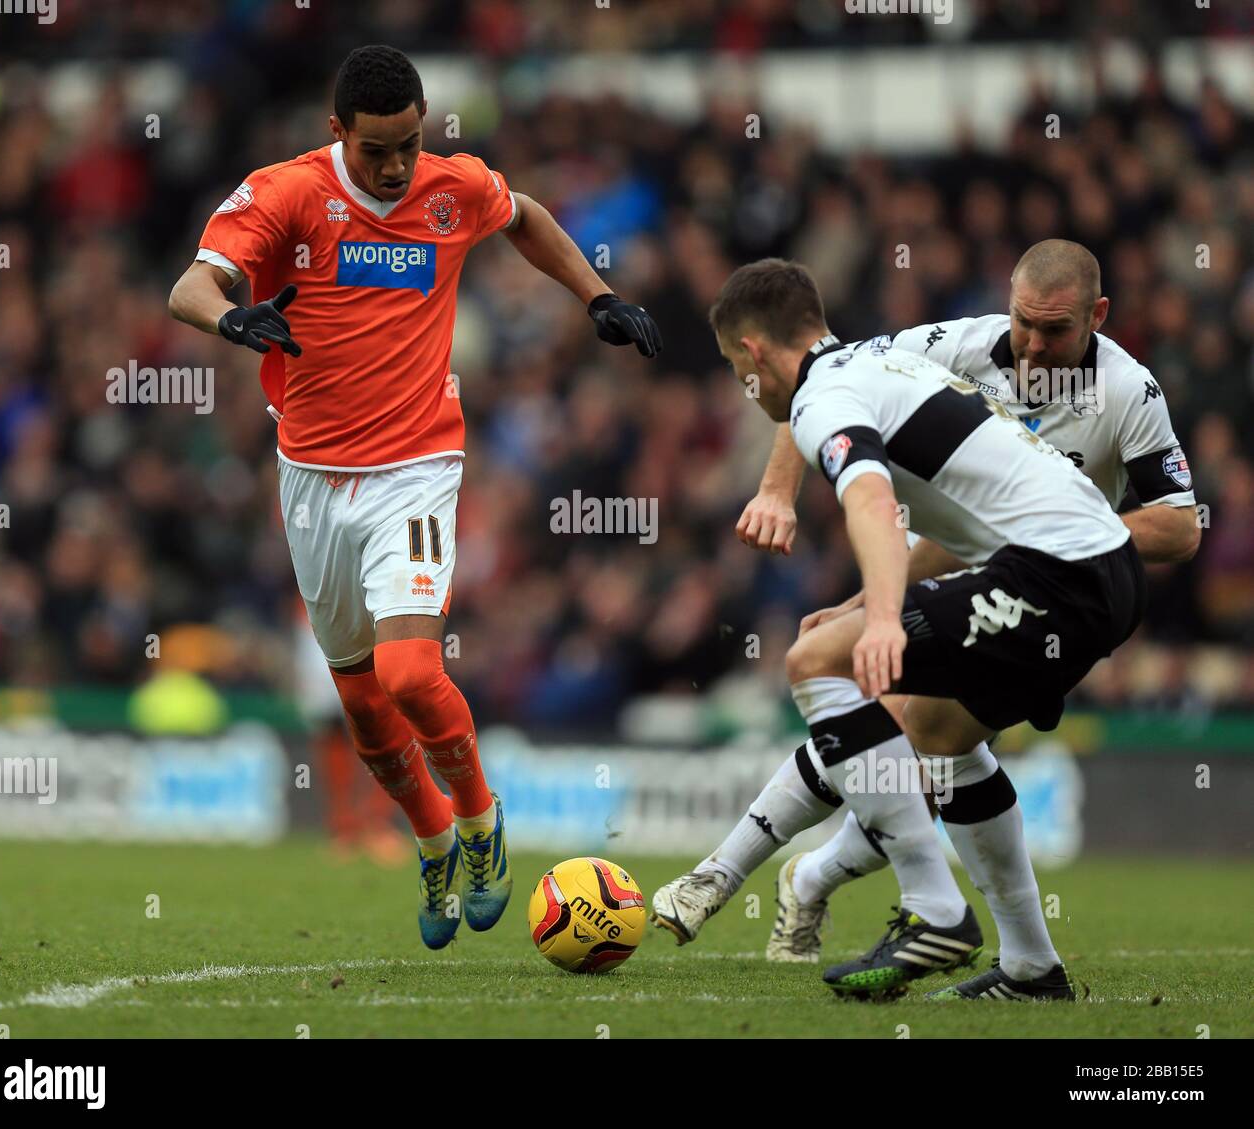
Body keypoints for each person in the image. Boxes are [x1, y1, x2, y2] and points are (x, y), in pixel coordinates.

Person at [168, 45, 662, 950]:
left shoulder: (452, 187)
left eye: (409, 144)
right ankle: (432, 838)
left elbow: (528, 216)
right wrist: (230, 315)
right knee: (360, 705)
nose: (396, 167)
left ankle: (480, 823)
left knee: (408, 674)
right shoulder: (285, 194)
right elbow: (189, 286)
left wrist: (597, 295)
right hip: (311, 475)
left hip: (417, 466)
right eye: (376, 151)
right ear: (337, 133)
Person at [653, 243, 1198, 1000]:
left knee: (815, 661)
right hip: (1087, 572)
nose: (744, 389)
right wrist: (852, 586)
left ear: (752, 351)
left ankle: (934, 905)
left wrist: (879, 617)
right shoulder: (893, 360)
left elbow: (874, 502)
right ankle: (1032, 969)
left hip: (1060, 573)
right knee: (940, 736)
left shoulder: (831, 394)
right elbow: (953, 515)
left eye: (736, 370)